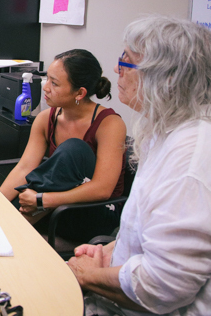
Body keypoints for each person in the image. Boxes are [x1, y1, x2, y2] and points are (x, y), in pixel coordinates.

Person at [68, 16, 211, 315]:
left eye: (126, 62)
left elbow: (161, 286)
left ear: (166, 78)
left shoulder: (190, 160)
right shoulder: (165, 132)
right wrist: (108, 251)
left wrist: (86, 275)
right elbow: (148, 235)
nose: (117, 70)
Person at [0, 49, 127, 243]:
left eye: (55, 83)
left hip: (93, 212)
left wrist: (42, 199)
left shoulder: (110, 124)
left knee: (74, 148)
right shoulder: (45, 119)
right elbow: (24, 168)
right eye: (47, 79)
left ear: (80, 93)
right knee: (6, 205)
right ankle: (3, 223)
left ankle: (12, 226)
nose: (46, 88)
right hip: (50, 208)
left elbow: (102, 189)